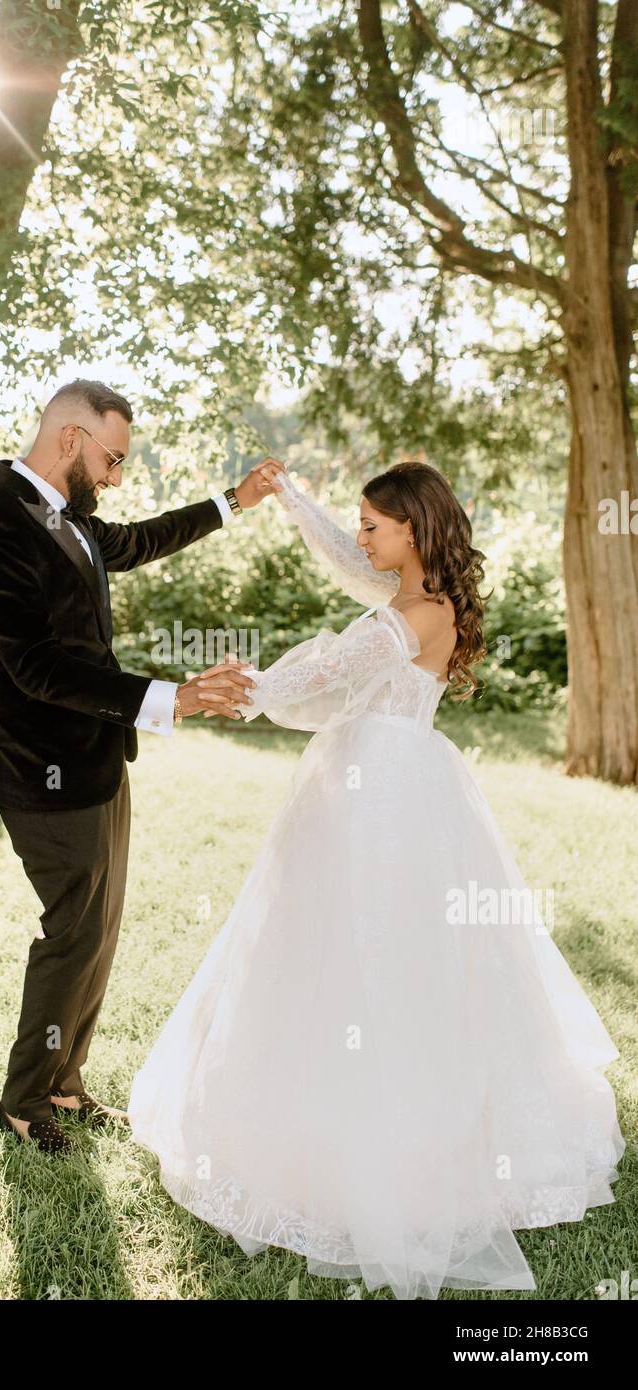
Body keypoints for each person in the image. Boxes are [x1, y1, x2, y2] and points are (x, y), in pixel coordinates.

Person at [127, 459, 625, 1299]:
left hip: (374, 798)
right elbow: (346, 564)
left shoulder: (399, 622)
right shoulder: (428, 597)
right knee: (392, 956)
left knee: (353, 953)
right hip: (405, 782)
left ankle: (356, 1149)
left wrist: (232, 689)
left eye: (372, 524)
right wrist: (290, 499)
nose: (359, 540)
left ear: (413, 530)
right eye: (358, 523)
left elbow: (312, 680)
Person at [0, 378, 275, 1154]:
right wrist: (174, 699)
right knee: (71, 931)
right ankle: (24, 1101)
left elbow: (140, 541)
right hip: (39, 768)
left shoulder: (76, 520)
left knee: (99, 930)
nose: (116, 479)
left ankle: (66, 1081)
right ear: (71, 439)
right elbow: (36, 668)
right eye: (113, 460)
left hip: (97, 761)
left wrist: (238, 499)